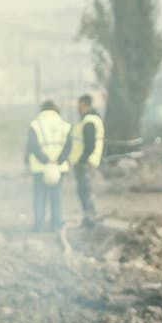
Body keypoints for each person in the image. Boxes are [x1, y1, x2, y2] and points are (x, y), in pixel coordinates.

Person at [25, 100, 72, 233]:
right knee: (56, 197)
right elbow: (69, 146)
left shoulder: (35, 125)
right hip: (59, 168)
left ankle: (39, 225)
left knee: (40, 196)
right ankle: (56, 225)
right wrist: (58, 161)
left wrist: (46, 161)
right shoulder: (65, 125)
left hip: (40, 168)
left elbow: (32, 146)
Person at [69, 94, 105, 229]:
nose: (78, 108)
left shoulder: (89, 121)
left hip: (85, 163)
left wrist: (82, 160)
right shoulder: (87, 120)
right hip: (84, 162)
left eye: (79, 105)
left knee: (86, 191)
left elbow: (90, 144)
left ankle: (91, 218)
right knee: (83, 190)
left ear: (85, 105)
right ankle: (88, 217)